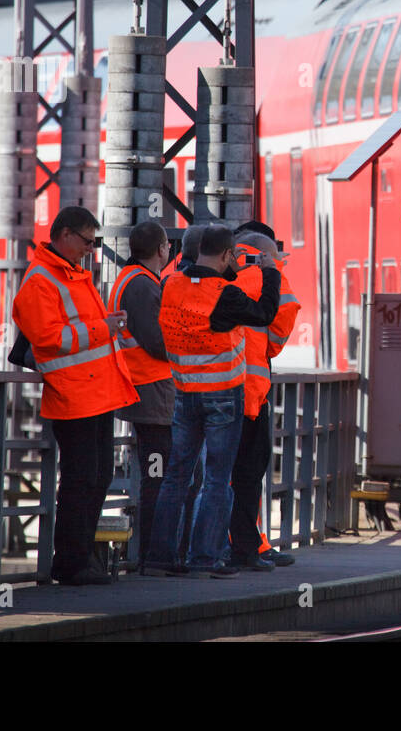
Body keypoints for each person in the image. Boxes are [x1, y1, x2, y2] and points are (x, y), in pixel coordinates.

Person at [143, 223, 281, 578]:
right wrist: (270, 270)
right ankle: (205, 558)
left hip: (183, 393)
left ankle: (159, 558)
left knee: (176, 476)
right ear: (226, 256)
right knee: (217, 479)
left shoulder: (170, 284)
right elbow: (265, 313)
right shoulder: (225, 293)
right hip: (222, 395)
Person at [12, 205, 138, 586]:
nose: (91, 249)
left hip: (95, 393)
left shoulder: (70, 276)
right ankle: (70, 563)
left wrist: (106, 326)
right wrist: (104, 327)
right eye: (87, 241)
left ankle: (81, 559)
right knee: (81, 479)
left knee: (97, 477)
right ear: (64, 235)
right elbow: (52, 339)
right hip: (74, 396)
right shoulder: (42, 281)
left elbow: (76, 335)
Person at [226, 221, 301, 570]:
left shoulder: (213, 277)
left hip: (206, 389)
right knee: (249, 473)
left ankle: (217, 546)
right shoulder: (270, 278)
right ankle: (245, 546)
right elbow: (280, 329)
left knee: (213, 475)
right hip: (252, 394)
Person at [107, 220, 175, 573]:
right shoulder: (144, 287)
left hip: (146, 393)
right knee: (157, 477)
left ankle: (152, 553)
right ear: (162, 249)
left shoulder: (131, 280)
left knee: (156, 476)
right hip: (152, 396)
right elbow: (159, 342)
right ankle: (153, 555)